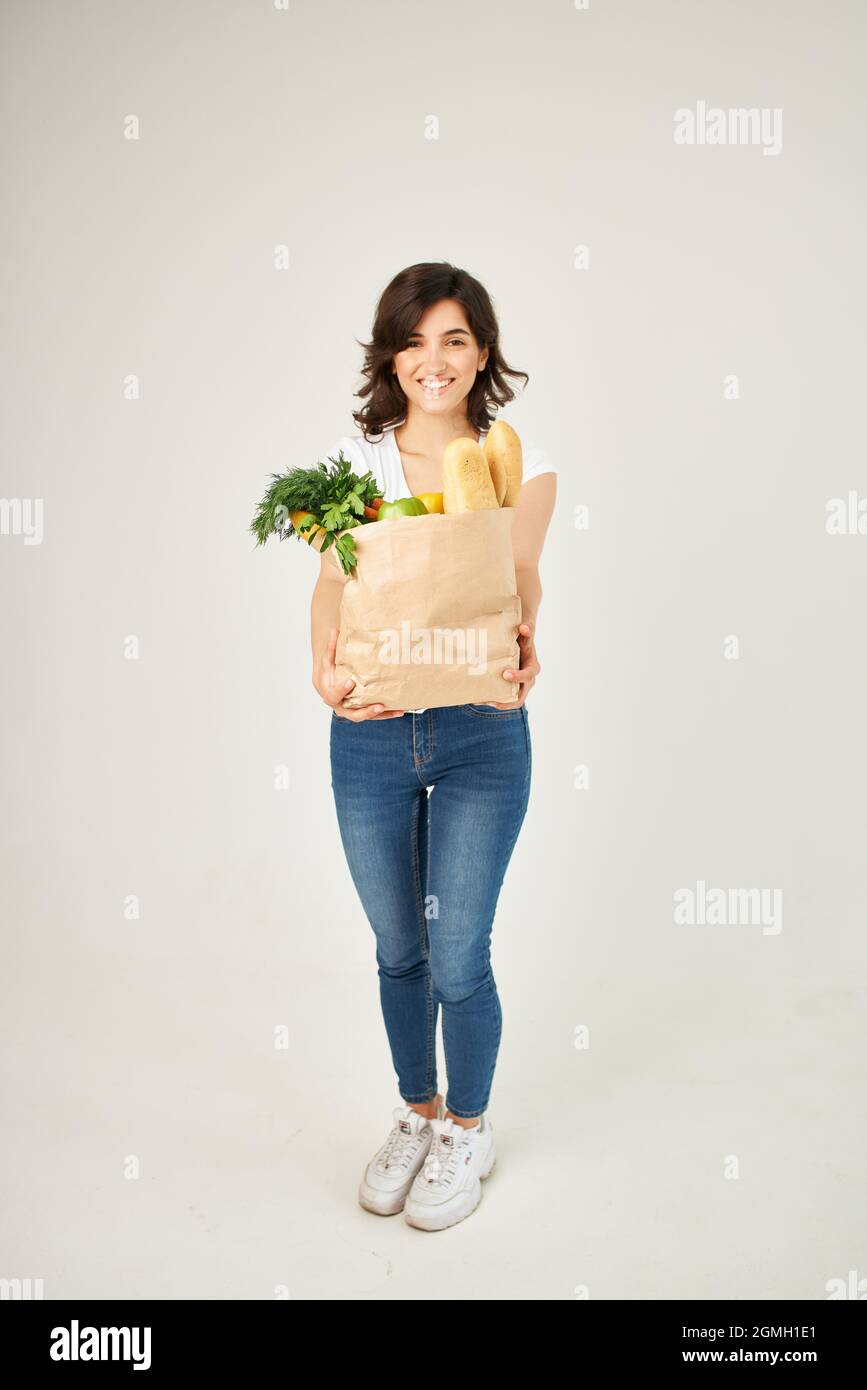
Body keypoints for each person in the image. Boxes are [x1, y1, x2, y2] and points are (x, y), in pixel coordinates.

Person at [310, 262, 557, 1231]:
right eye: (415, 341)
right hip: (369, 733)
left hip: (481, 731)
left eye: (454, 339)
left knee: (460, 951)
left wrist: (533, 637)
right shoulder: (348, 465)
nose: (434, 360)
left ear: (482, 351)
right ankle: (415, 1112)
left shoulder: (519, 460)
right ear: (392, 355)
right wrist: (320, 670)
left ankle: (468, 1126)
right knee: (397, 947)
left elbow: (522, 574)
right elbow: (334, 589)